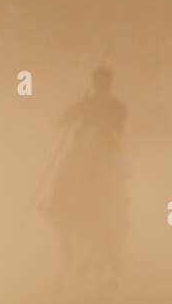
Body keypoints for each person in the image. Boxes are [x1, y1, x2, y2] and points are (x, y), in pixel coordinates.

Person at [45, 68, 128, 288]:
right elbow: (63, 120)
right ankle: (57, 205)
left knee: (121, 173)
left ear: (110, 83)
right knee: (65, 166)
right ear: (94, 82)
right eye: (98, 81)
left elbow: (119, 128)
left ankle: (119, 209)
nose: (101, 85)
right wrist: (76, 110)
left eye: (104, 82)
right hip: (82, 149)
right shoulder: (87, 103)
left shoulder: (117, 106)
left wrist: (104, 125)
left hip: (109, 150)